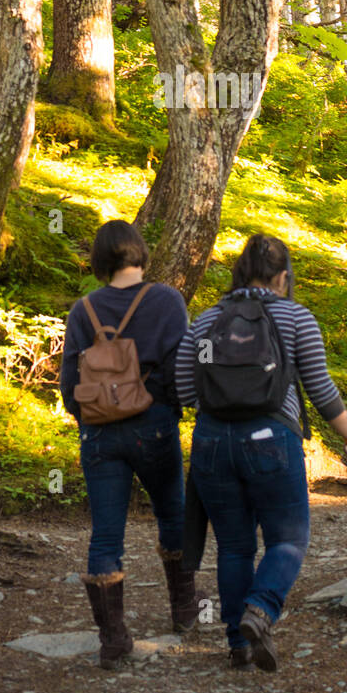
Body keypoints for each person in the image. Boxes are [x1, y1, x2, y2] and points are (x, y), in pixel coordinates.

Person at [175, 234, 347, 672]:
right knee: (288, 539)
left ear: (240, 273)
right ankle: (260, 610)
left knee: (234, 548)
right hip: (272, 440)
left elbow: (184, 389)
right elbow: (319, 387)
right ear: (282, 277)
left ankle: (235, 644)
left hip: (211, 444)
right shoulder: (296, 318)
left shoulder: (205, 321)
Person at [60, 220, 197, 669]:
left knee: (106, 533)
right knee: (172, 514)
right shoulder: (167, 300)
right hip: (153, 425)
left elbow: (68, 386)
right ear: (139, 252)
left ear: (99, 260)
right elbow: (183, 369)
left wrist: (92, 416)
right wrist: (169, 408)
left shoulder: (83, 310)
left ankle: (113, 640)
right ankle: (183, 611)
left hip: (99, 433)